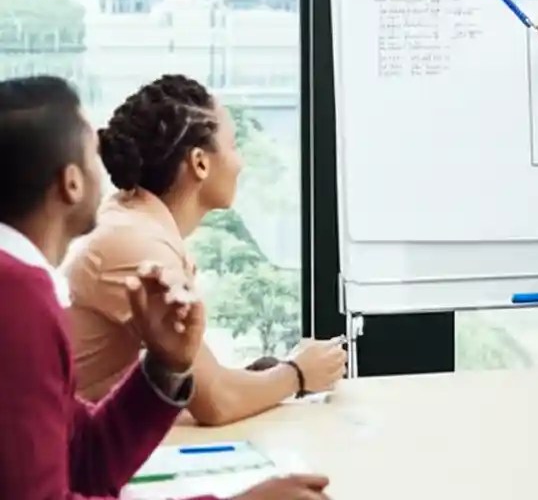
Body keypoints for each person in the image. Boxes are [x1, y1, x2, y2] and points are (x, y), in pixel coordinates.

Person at [0, 75, 330, 499]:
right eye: (90, 154)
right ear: (71, 183)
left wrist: (163, 368)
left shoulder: (24, 287)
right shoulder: (16, 298)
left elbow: (83, 460)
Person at [60, 74, 346, 425]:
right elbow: (217, 403)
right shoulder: (136, 245)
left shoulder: (135, 224)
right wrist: (298, 374)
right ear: (200, 162)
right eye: (233, 145)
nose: (240, 163)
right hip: (63, 456)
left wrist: (264, 378)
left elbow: (195, 382)